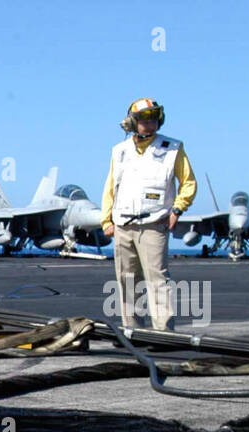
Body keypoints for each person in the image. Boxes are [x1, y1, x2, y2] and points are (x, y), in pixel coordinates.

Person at [100, 98, 197, 331]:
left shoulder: (172, 148)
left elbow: (189, 182)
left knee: (158, 281)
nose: (150, 123)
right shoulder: (120, 151)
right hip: (123, 224)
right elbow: (110, 186)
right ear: (132, 122)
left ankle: (164, 331)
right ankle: (132, 329)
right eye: (144, 119)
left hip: (155, 224)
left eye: (153, 118)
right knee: (127, 281)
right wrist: (106, 220)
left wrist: (177, 209)